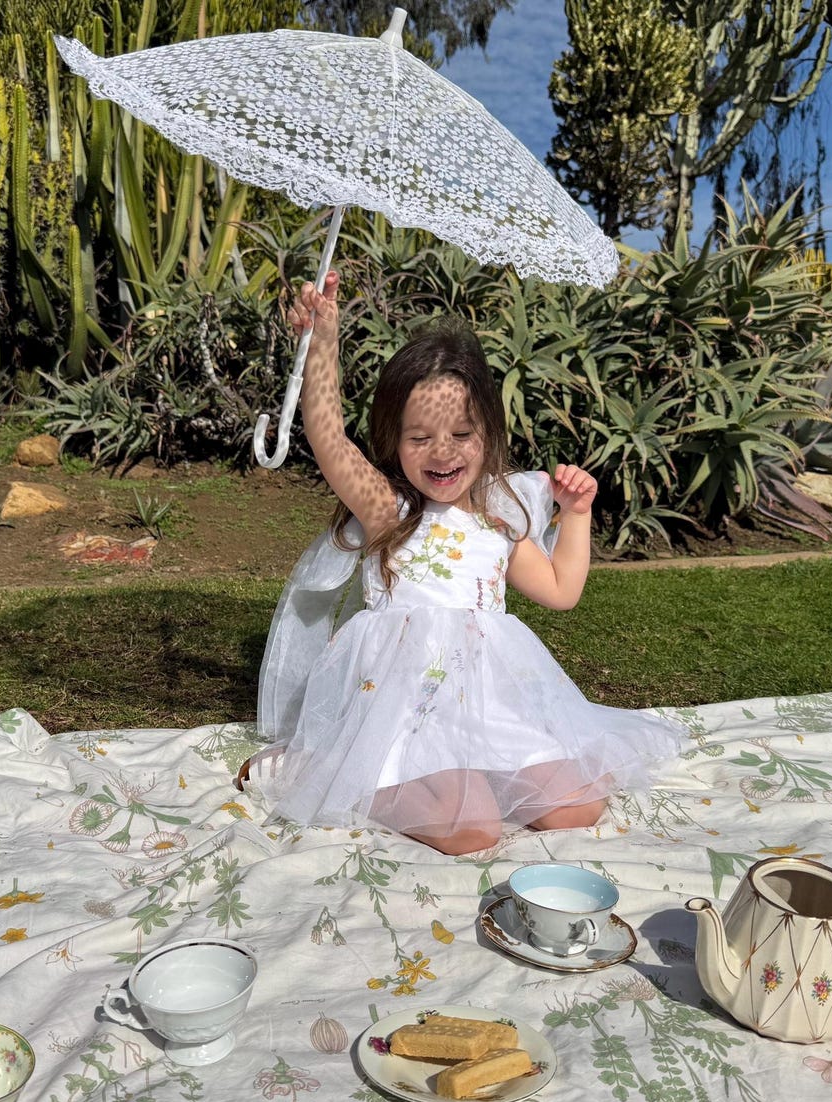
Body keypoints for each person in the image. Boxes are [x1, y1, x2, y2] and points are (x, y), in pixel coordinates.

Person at [242, 271, 681, 855]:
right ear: (394, 440)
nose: (442, 452)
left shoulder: (501, 513)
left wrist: (575, 513)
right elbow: (330, 439)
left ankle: (477, 774)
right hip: (405, 703)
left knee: (579, 805)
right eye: (419, 437)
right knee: (471, 831)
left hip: (493, 700)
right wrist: (323, 344)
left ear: (488, 432)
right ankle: (326, 768)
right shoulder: (388, 508)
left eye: (461, 433)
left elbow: (560, 590)